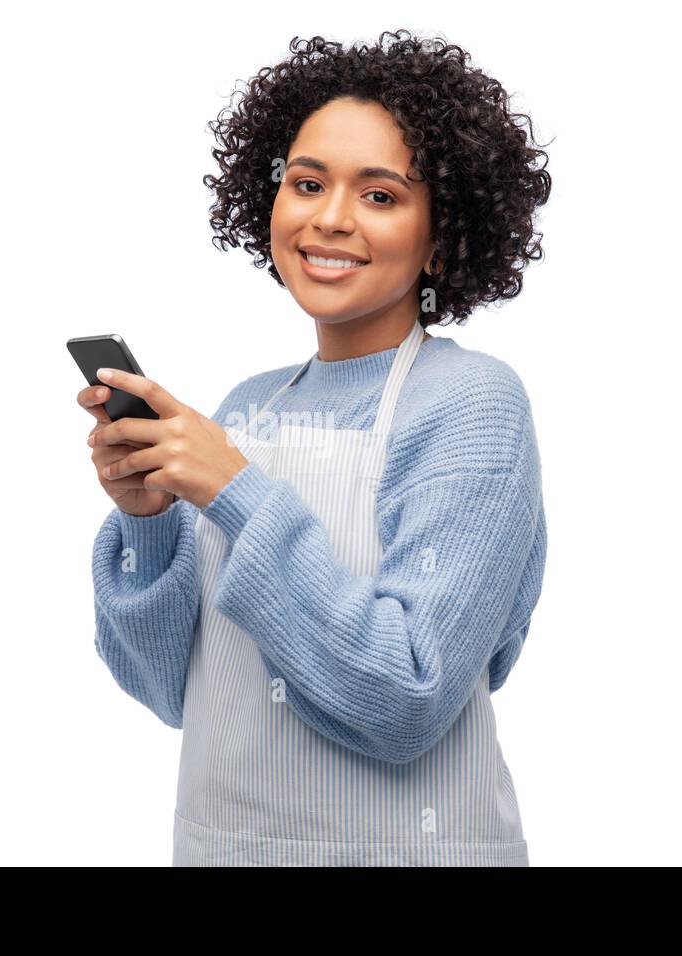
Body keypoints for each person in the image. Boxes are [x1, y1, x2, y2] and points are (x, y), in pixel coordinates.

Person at [78, 30, 551, 866]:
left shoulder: (475, 406)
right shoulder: (248, 409)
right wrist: (150, 520)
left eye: (380, 196)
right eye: (306, 184)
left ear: (443, 232)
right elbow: (172, 692)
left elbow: (408, 693)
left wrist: (235, 491)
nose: (329, 218)